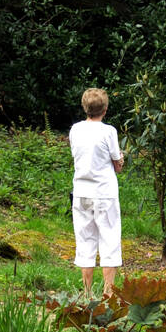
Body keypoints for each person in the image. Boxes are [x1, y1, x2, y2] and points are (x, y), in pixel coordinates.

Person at [69, 87, 123, 298]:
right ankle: (108, 293)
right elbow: (117, 164)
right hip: (104, 193)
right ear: (105, 109)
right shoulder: (109, 132)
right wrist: (121, 159)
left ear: (85, 107)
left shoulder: (75, 130)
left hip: (82, 192)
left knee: (85, 240)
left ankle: (87, 292)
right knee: (109, 239)